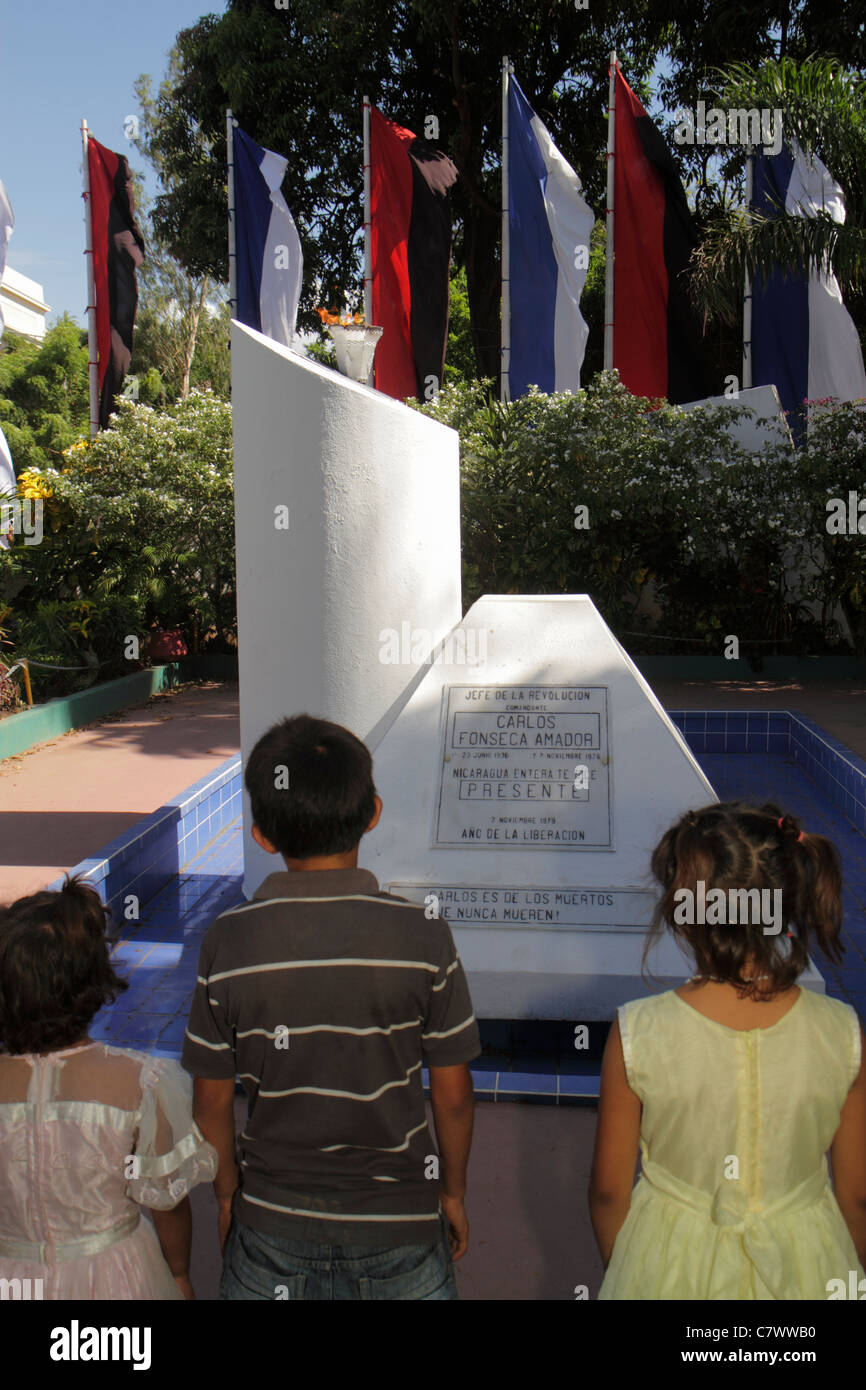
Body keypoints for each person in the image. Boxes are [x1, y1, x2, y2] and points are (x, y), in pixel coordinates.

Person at [183, 713, 480, 1301]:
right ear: (372, 812)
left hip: (269, 1225)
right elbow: (452, 1093)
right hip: (400, 1223)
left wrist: (226, 1198)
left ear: (262, 834)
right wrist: (451, 1192)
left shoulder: (229, 941)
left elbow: (211, 1101)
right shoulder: (421, 935)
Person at [589, 800, 866, 1300]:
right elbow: (856, 1195)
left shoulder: (637, 1033)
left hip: (669, 1262)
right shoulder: (842, 1033)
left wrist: (627, 1269)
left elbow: (608, 1192)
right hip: (809, 1263)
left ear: (686, 913)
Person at [0, 876, 218, 1299]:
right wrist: (178, 1275)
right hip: (117, 1274)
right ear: (92, 983)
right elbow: (164, 1198)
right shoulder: (142, 1082)